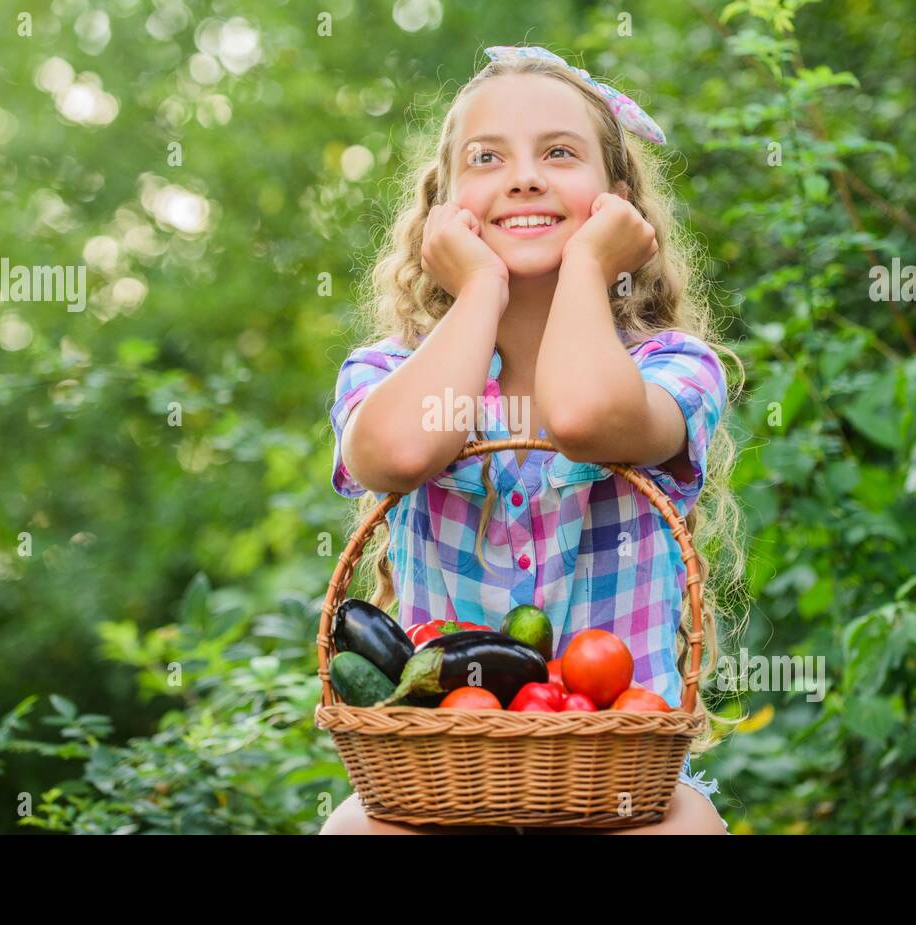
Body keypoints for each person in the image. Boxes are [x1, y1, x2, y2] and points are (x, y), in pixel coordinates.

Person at [321, 45, 743, 835]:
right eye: (488, 159)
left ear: (620, 205)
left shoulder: (672, 369)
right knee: (351, 830)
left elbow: (583, 414)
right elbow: (395, 454)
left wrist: (587, 263)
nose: (524, 177)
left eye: (559, 153)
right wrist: (480, 287)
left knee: (693, 830)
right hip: (437, 782)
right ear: (444, 209)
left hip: (620, 784)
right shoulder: (386, 372)